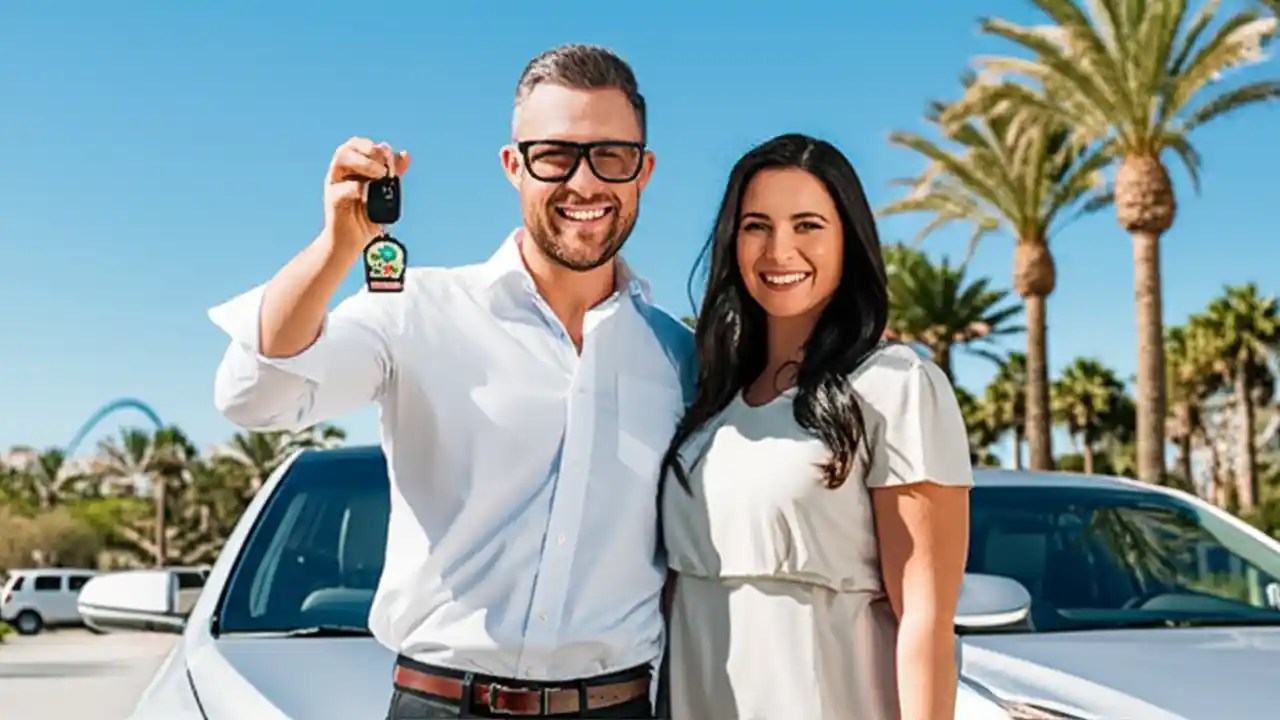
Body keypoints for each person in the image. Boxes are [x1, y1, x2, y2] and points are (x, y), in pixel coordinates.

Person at [207, 44, 694, 719]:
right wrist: (336, 248)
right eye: (555, 154)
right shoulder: (415, 310)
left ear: (643, 170)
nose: (584, 183)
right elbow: (253, 396)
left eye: (610, 155)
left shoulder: (680, 356)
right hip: (441, 705)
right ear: (512, 166)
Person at [658, 133, 973, 720]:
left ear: (848, 241)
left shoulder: (897, 386)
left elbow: (925, 622)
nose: (780, 250)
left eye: (808, 225)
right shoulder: (711, 401)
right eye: (757, 226)